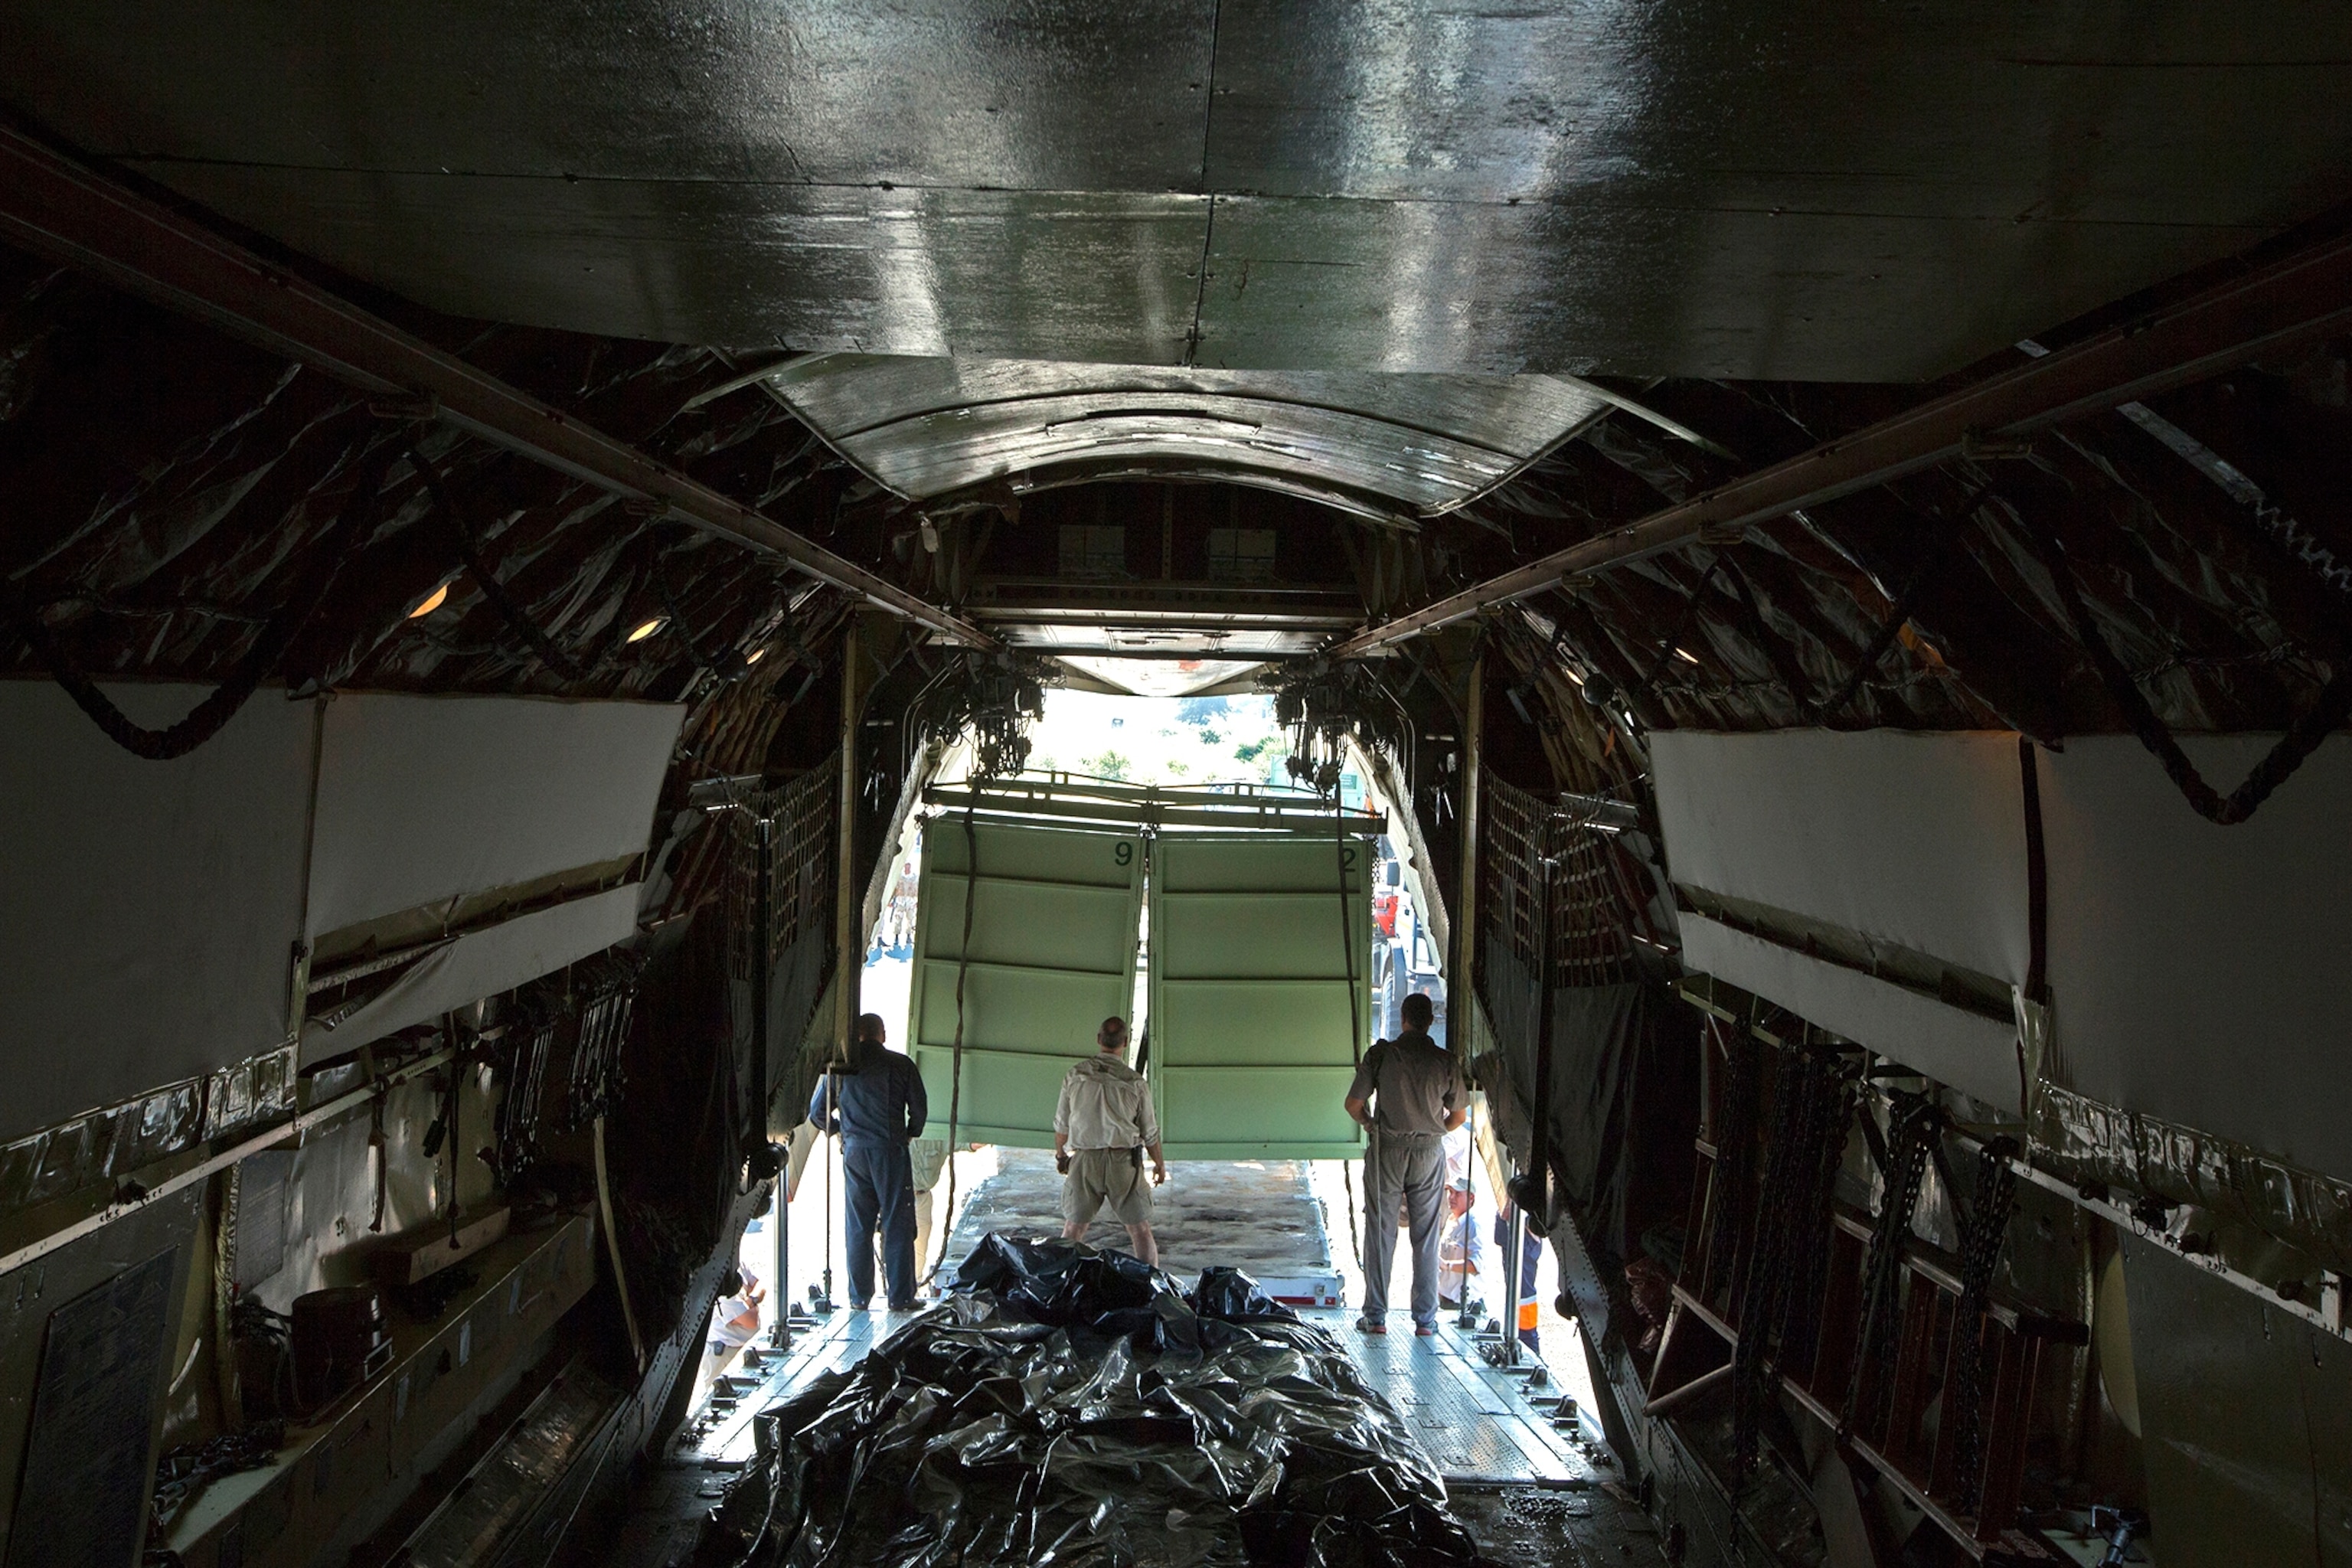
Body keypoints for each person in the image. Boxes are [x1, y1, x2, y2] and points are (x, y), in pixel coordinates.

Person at [1343, 991, 1465, 1335]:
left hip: (1388, 1149)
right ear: (1429, 1021)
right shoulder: (1445, 1061)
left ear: (1403, 1018)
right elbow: (1458, 1116)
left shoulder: (1381, 1055)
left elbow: (1353, 1105)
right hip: (1429, 1152)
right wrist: (1434, 1129)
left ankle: (1376, 1317)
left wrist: (1371, 1125)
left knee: (1381, 1232)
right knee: (1426, 1236)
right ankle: (1425, 1321)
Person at [806, 1013, 927, 1311]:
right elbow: (920, 1111)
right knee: (896, 1222)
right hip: (890, 1150)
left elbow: (817, 1113)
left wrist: (841, 1133)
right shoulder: (901, 1064)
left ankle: (859, 1297)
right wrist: (911, 1133)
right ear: (882, 1035)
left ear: (855, 1036)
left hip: (855, 1154)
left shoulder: (841, 1068)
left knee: (858, 1225)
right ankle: (901, 1297)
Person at [1053, 1016, 1166, 1266]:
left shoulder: (1075, 1075)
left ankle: (1059, 1287)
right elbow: (1150, 1132)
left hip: (1085, 1161)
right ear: (1125, 1042)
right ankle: (1149, 1289)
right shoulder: (1136, 1082)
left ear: (1098, 1040)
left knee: (1073, 1230)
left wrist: (1061, 1154)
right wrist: (1159, 1163)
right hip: (1123, 1163)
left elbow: (1061, 1124)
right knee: (1140, 1231)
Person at [1438, 1124, 1485, 1311]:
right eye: (1450, 1192)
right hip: (1447, 1300)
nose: (1451, 1198)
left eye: (1458, 1194)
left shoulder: (1473, 1225)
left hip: (1465, 1305)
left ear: (1471, 1198)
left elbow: (1476, 1264)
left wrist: (1447, 1266)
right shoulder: (1451, 1222)